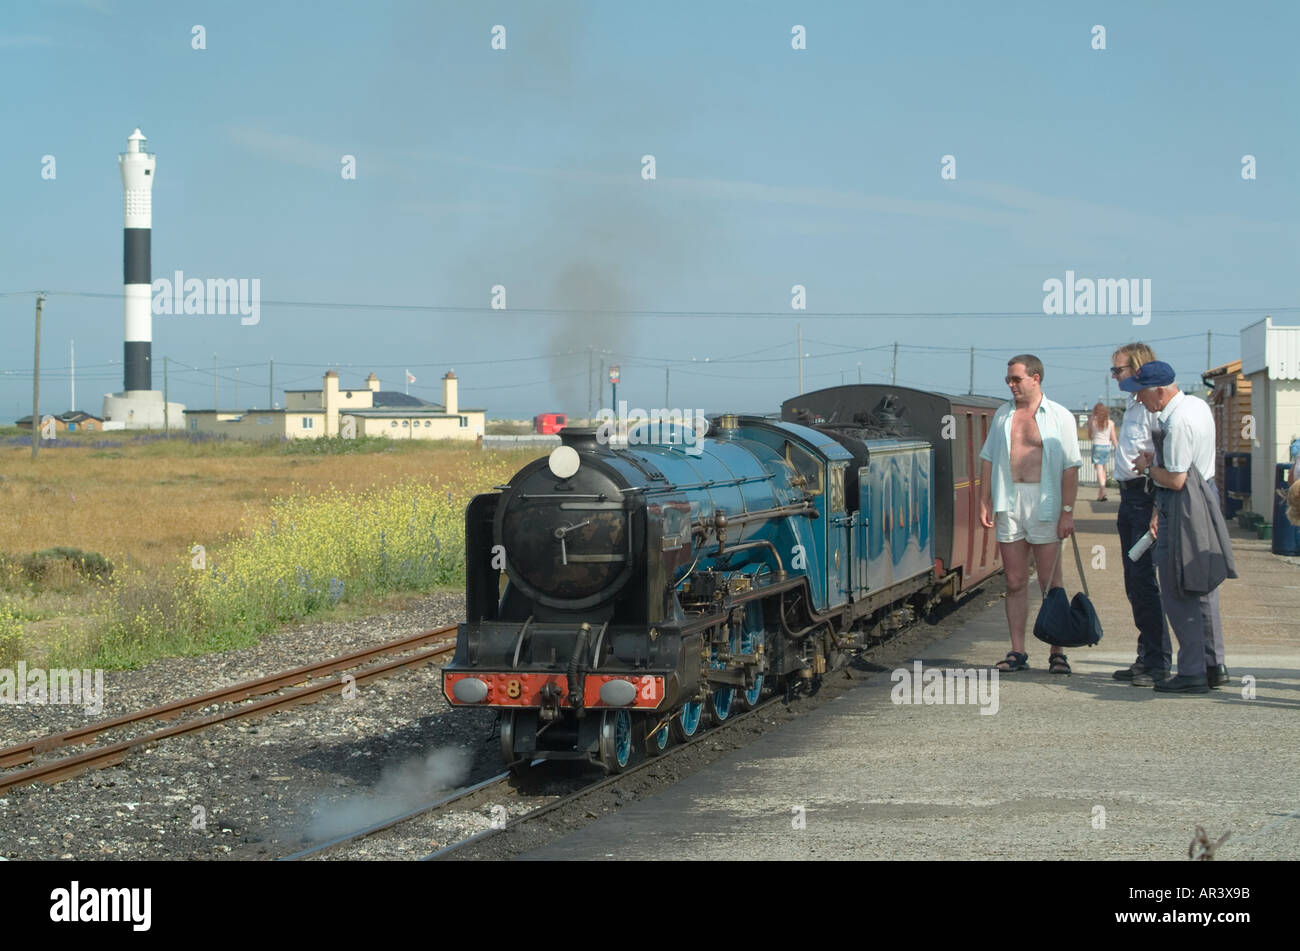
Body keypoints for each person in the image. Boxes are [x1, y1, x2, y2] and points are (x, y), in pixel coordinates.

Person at [1127, 361, 1229, 693]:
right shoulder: (1197, 405)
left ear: (1159, 390)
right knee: (1202, 586)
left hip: (1184, 503)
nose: (1139, 400)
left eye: (1141, 393)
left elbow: (1175, 478)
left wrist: (1146, 467)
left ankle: (1191, 672)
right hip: (1204, 495)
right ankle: (1213, 664)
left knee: (1177, 586)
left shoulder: (1178, 421)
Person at [979, 354, 1081, 674]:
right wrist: (985, 500)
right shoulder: (1002, 416)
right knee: (1014, 579)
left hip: (1045, 500)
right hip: (1010, 500)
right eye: (1008, 380)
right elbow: (988, 458)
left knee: (1052, 581)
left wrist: (1067, 511)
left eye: (1016, 379)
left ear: (1035, 378)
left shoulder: (1060, 416)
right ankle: (1017, 650)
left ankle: (1057, 650)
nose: (1011, 385)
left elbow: (1070, 467)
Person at [1109, 344, 1172, 687]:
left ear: (1137, 369)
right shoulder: (1133, 407)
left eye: (1118, 370)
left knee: (1145, 581)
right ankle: (1145, 654)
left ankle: (1158, 662)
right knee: (1134, 581)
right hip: (1128, 498)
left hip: (1145, 497)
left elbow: (1161, 456)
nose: (1115, 377)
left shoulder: (1152, 409)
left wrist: (1156, 509)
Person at [1088, 402, 1117, 501]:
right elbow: (1113, 438)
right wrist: (1117, 448)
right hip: (1106, 446)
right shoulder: (1110, 423)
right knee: (1103, 468)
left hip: (1097, 445)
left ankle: (1102, 488)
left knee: (1099, 468)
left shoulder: (1093, 421)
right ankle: (1100, 494)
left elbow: (1090, 435)